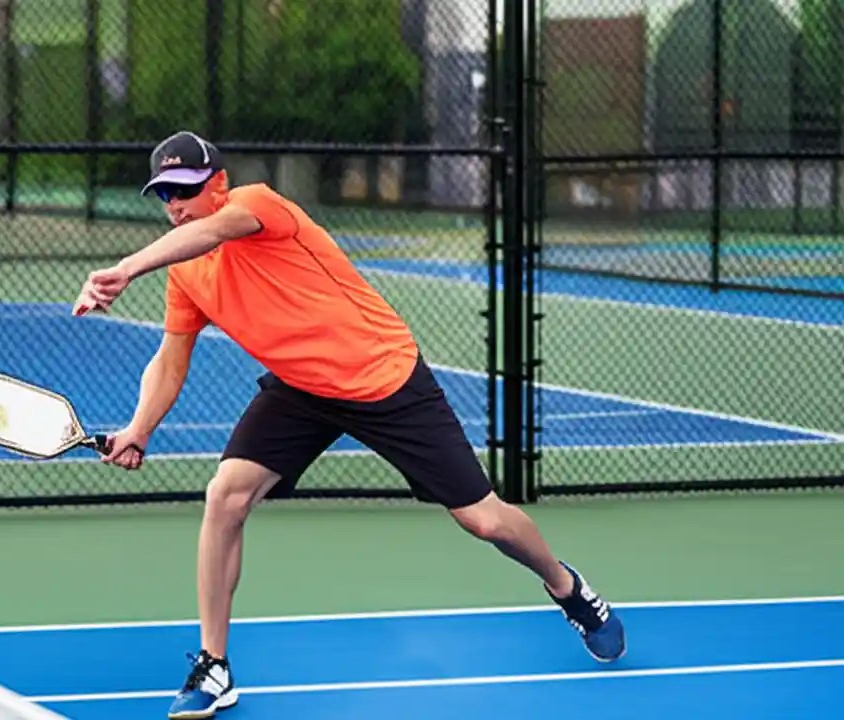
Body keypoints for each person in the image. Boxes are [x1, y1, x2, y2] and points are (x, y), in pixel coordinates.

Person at [71, 130, 625, 719]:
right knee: (225, 496)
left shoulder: (256, 206)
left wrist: (125, 268)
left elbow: (213, 230)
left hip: (381, 376)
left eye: (185, 190)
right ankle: (214, 665)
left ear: (219, 184)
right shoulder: (187, 274)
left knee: (485, 521)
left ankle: (566, 586)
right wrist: (139, 426)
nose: (175, 206)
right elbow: (171, 358)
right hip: (301, 389)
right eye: (164, 195)